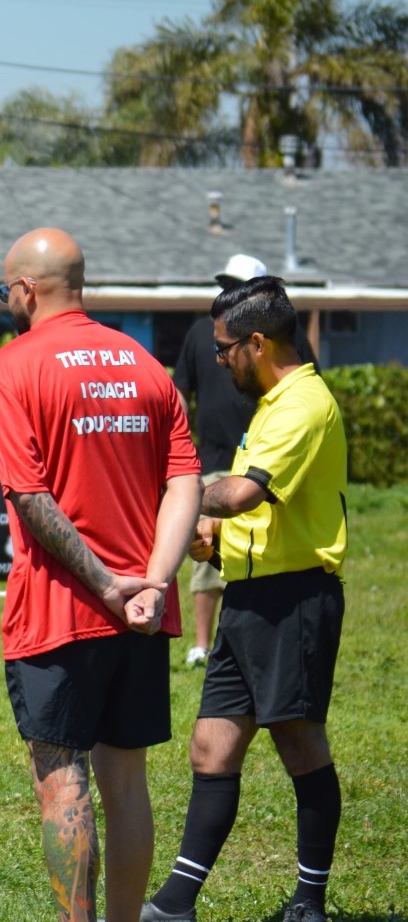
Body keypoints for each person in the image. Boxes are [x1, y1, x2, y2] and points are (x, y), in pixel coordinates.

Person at [0, 227, 201, 922]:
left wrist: (105, 585)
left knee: (61, 772)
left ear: (28, 290)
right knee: (127, 779)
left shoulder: (14, 366)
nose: (4, 302)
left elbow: (31, 498)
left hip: (63, 607)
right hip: (143, 609)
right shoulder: (144, 365)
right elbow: (187, 481)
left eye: (4, 290)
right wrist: (152, 581)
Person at [141, 276, 348, 922]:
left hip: (294, 600)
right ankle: (177, 901)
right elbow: (251, 512)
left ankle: (309, 902)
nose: (221, 360)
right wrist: (217, 539)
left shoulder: (302, 405)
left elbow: (240, 495)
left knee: (299, 741)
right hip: (252, 596)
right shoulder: (274, 403)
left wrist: (172, 492)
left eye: (227, 349)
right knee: (212, 746)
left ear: (259, 344)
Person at [173, 255, 267, 668]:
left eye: (240, 286)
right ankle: (201, 645)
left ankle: (254, 642)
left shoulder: (279, 338)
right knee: (207, 555)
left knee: (257, 554)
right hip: (211, 459)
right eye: (227, 284)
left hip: (263, 463)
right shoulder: (200, 333)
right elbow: (181, 393)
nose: (231, 293)